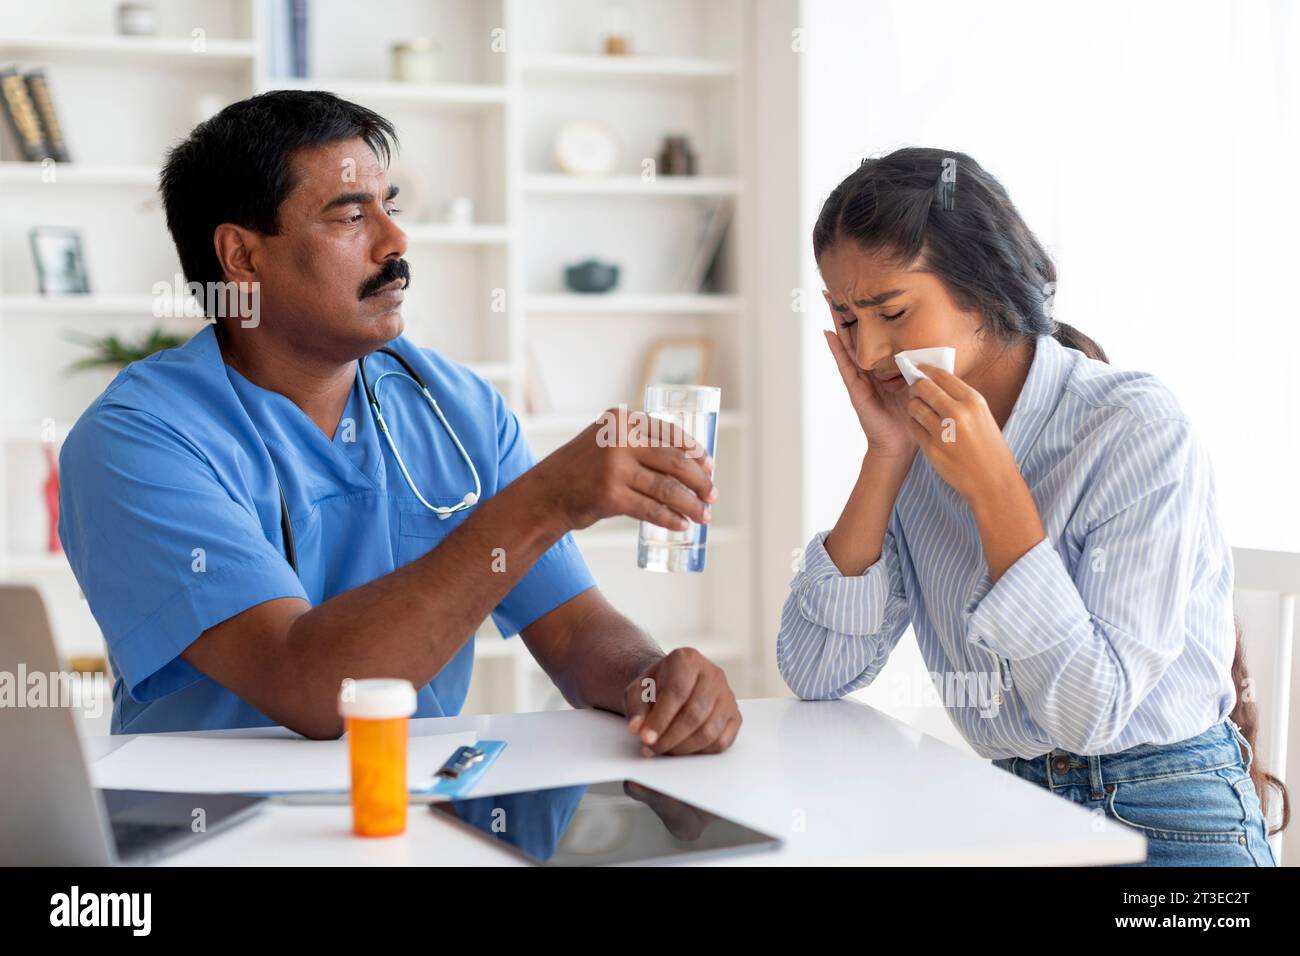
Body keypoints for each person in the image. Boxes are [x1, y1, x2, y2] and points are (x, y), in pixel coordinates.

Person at [57, 90, 741, 758]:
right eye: (351, 217)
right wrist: (549, 498)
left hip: (422, 821)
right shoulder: (136, 441)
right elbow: (313, 687)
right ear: (242, 257)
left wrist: (651, 680)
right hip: (217, 831)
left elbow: (572, 630)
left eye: (390, 207)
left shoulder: (457, 406)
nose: (396, 240)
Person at [778, 147, 1287, 865]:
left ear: (981, 289)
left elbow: (1090, 712)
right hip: (1010, 810)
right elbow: (816, 671)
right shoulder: (915, 439)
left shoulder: (1132, 426)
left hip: (1170, 812)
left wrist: (995, 491)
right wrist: (886, 458)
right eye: (846, 318)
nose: (868, 354)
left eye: (891, 311)